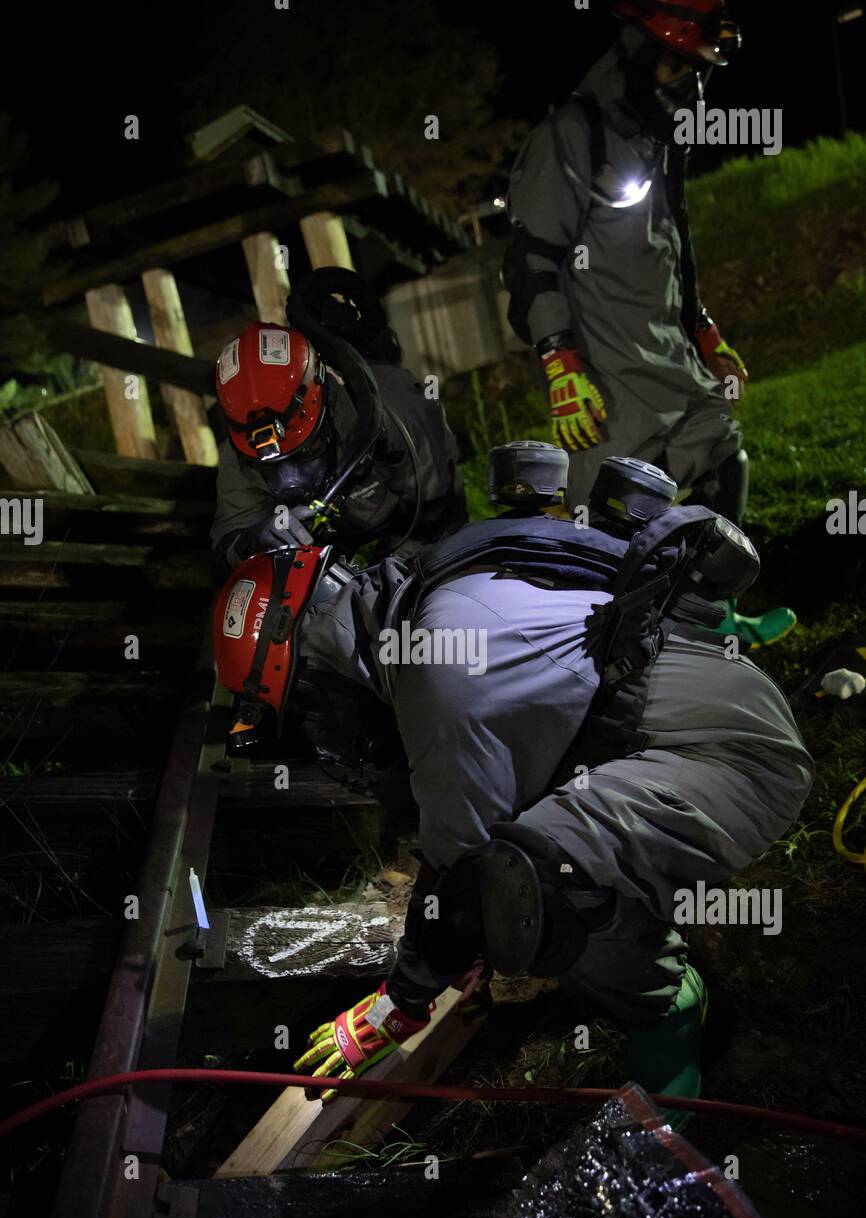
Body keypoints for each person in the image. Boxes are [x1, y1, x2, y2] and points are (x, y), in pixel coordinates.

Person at [212, 453, 814, 1114]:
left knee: (523, 880)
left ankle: (668, 1008)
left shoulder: (438, 678)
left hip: (735, 761)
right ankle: (634, 885)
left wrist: (399, 1005)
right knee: (525, 838)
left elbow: (460, 875)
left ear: (311, 666)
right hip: (698, 700)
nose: (317, 726)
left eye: (302, 704)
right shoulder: (434, 580)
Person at [501, 0, 795, 648]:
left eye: (695, 72)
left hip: (668, 357)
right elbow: (530, 260)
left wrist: (707, 332)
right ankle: (615, 650)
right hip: (606, 376)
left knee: (724, 460)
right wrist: (559, 360)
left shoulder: (659, 143)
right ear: (632, 50)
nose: (685, 85)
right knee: (615, 524)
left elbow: (673, 251)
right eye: (672, 65)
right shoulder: (572, 135)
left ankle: (710, 619)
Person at [210, 272, 466, 581]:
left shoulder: (400, 412)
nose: (291, 477)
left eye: (305, 451)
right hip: (331, 559)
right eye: (276, 463)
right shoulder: (241, 453)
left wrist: (379, 582)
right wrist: (255, 541)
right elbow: (227, 552)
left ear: (322, 406)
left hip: (408, 540)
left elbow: (438, 520)